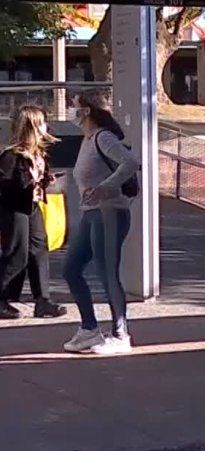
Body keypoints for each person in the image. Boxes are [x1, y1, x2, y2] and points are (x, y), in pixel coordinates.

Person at [61, 92, 139, 354]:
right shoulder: (88, 139)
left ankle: (121, 334)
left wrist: (105, 188)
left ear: (88, 110)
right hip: (92, 213)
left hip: (109, 213)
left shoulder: (103, 137)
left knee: (108, 273)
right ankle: (89, 329)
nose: (72, 111)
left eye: (75, 106)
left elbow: (130, 163)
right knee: (71, 268)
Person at [0, 105, 66, 319]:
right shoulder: (11, 156)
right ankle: (2, 298)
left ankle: (43, 300)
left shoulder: (38, 153)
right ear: (31, 126)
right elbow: (5, 184)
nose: (46, 126)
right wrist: (27, 184)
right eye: (41, 122)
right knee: (17, 253)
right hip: (14, 208)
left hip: (34, 205)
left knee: (39, 249)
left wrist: (45, 180)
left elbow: (37, 179)